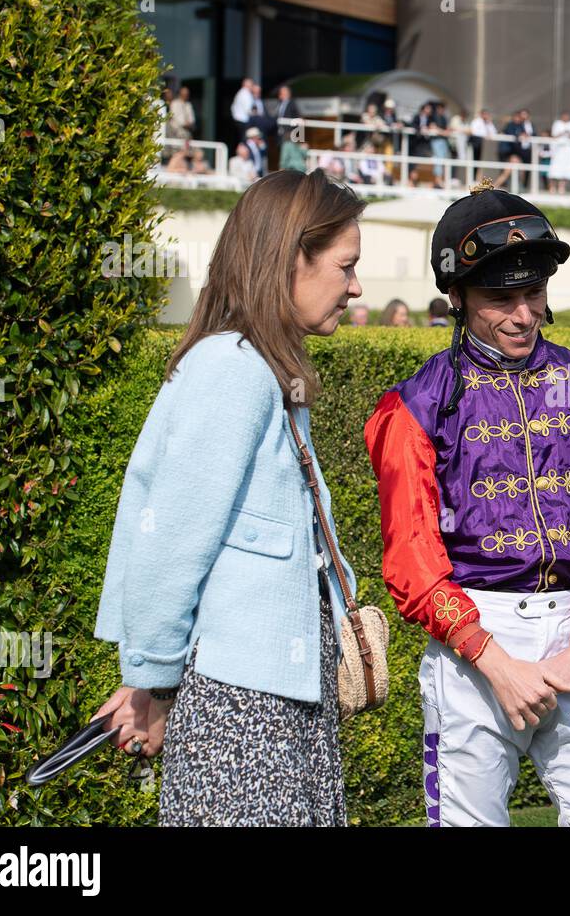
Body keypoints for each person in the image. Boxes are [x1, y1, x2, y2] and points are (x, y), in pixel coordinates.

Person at [363, 181, 570, 826]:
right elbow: (411, 553)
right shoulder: (413, 405)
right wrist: (493, 659)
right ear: (457, 297)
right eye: (501, 298)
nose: (523, 315)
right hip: (473, 644)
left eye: (535, 294)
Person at [92, 168, 368, 825]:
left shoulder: (260, 370)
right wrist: (152, 682)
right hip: (245, 714)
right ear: (289, 258)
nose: (356, 287)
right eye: (345, 265)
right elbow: (171, 541)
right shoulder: (232, 371)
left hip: (274, 703)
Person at [547, 111, 570, 194]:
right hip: (558, 149)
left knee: (566, 168)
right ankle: (552, 187)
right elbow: (553, 136)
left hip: (568, 150)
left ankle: (562, 187)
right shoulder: (557, 123)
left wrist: (569, 133)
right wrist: (563, 133)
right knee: (554, 168)